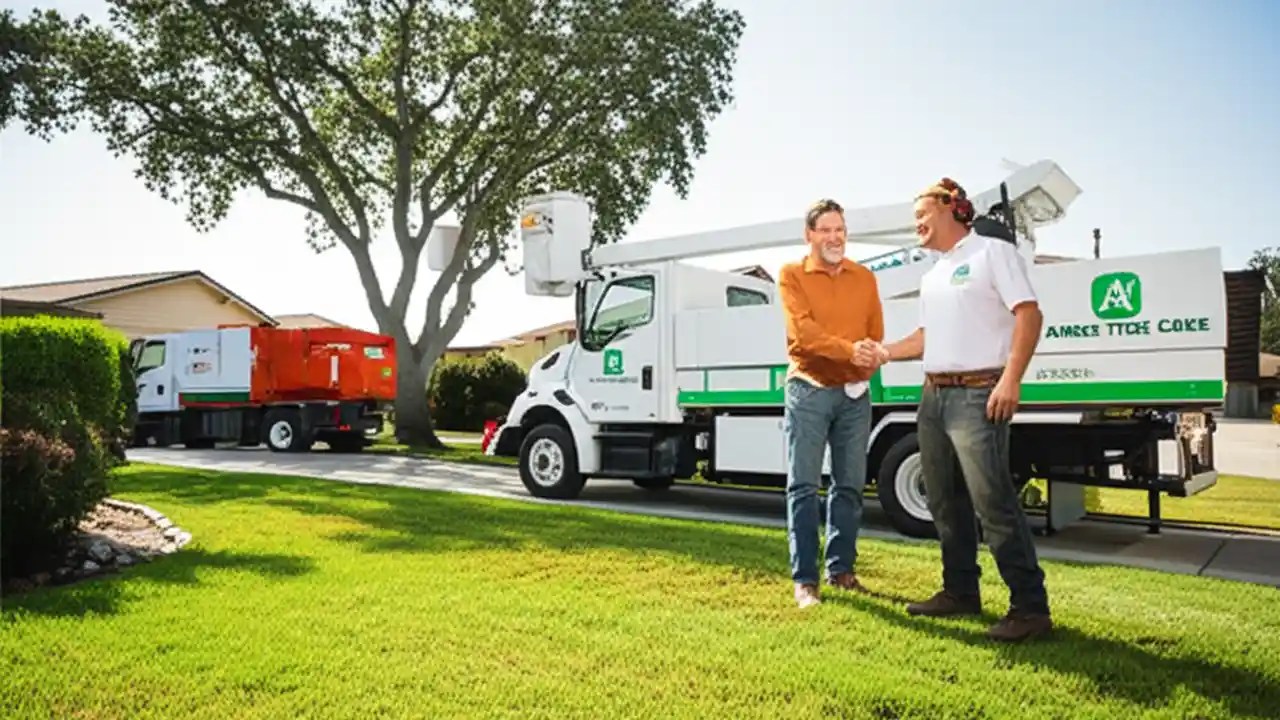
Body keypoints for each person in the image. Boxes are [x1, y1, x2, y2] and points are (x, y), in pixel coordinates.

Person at [856, 177, 1052, 641]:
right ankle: (960, 591)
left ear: (952, 210)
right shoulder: (934, 273)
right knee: (944, 501)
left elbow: (1029, 313)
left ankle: (1030, 608)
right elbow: (925, 338)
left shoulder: (992, 253)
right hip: (934, 397)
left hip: (977, 393)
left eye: (923, 214)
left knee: (994, 503)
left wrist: (1011, 378)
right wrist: (884, 352)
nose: (917, 224)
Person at [777, 198, 885, 609]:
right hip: (808, 389)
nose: (835, 237)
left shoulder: (864, 277)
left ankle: (841, 571)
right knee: (803, 486)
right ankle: (805, 581)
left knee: (851, 486)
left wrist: (866, 359)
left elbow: (874, 331)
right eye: (825, 230)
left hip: (855, 395)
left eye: (840, 229)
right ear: (810, 235)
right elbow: (802, 334)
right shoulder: (792, 275)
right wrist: (849, 351)